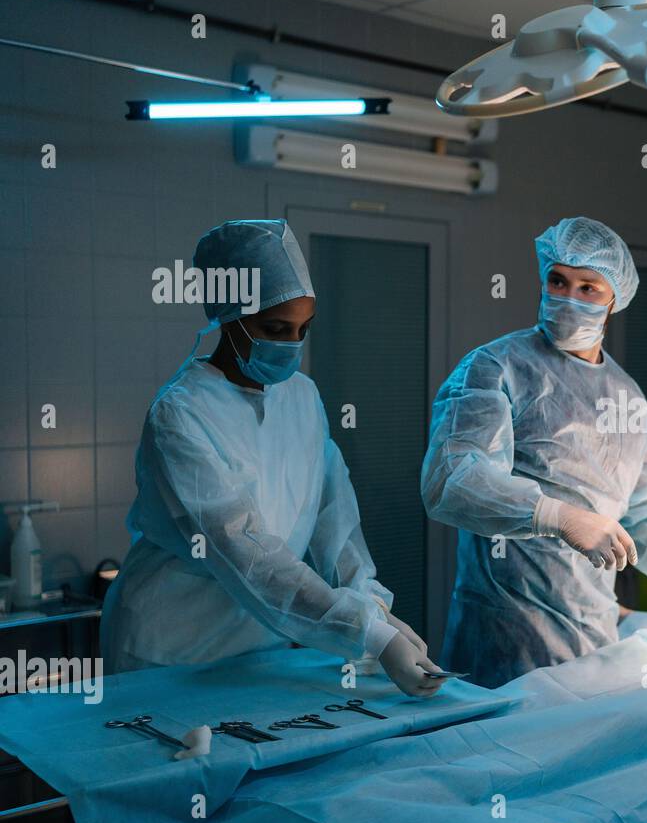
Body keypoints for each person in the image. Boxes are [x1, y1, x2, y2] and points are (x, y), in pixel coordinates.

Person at [102, 219, 444, 697]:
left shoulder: (301, 396)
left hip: (265, 644)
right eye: (275, 328)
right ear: (228, 317)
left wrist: (373, 609)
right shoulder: (180, 413)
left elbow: (335, 520)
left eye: (304, 329)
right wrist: (367, 634)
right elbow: (242, 548)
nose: (291, 346)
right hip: (172, 648)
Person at [421, 216, 647, 688]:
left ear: (615, 300)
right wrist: (558, 516)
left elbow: (646, 512)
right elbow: (453, 482)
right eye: (558, 281)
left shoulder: (630, 401)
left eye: (589, 287)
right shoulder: (494, 368)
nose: (569, 298)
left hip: (592, 627)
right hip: (505, 632)